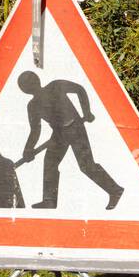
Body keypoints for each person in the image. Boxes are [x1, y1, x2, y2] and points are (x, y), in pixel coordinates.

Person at [17, 71, 124, 210]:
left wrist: (86, 112)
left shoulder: (55, 86)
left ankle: (115, 190)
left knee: (86, 166)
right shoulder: (32, 106)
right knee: (50, 163)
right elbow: (35, 130)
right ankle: (49, 200)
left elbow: (79, 89)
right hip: (58, 134)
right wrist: (28, 149)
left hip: (75, 128)